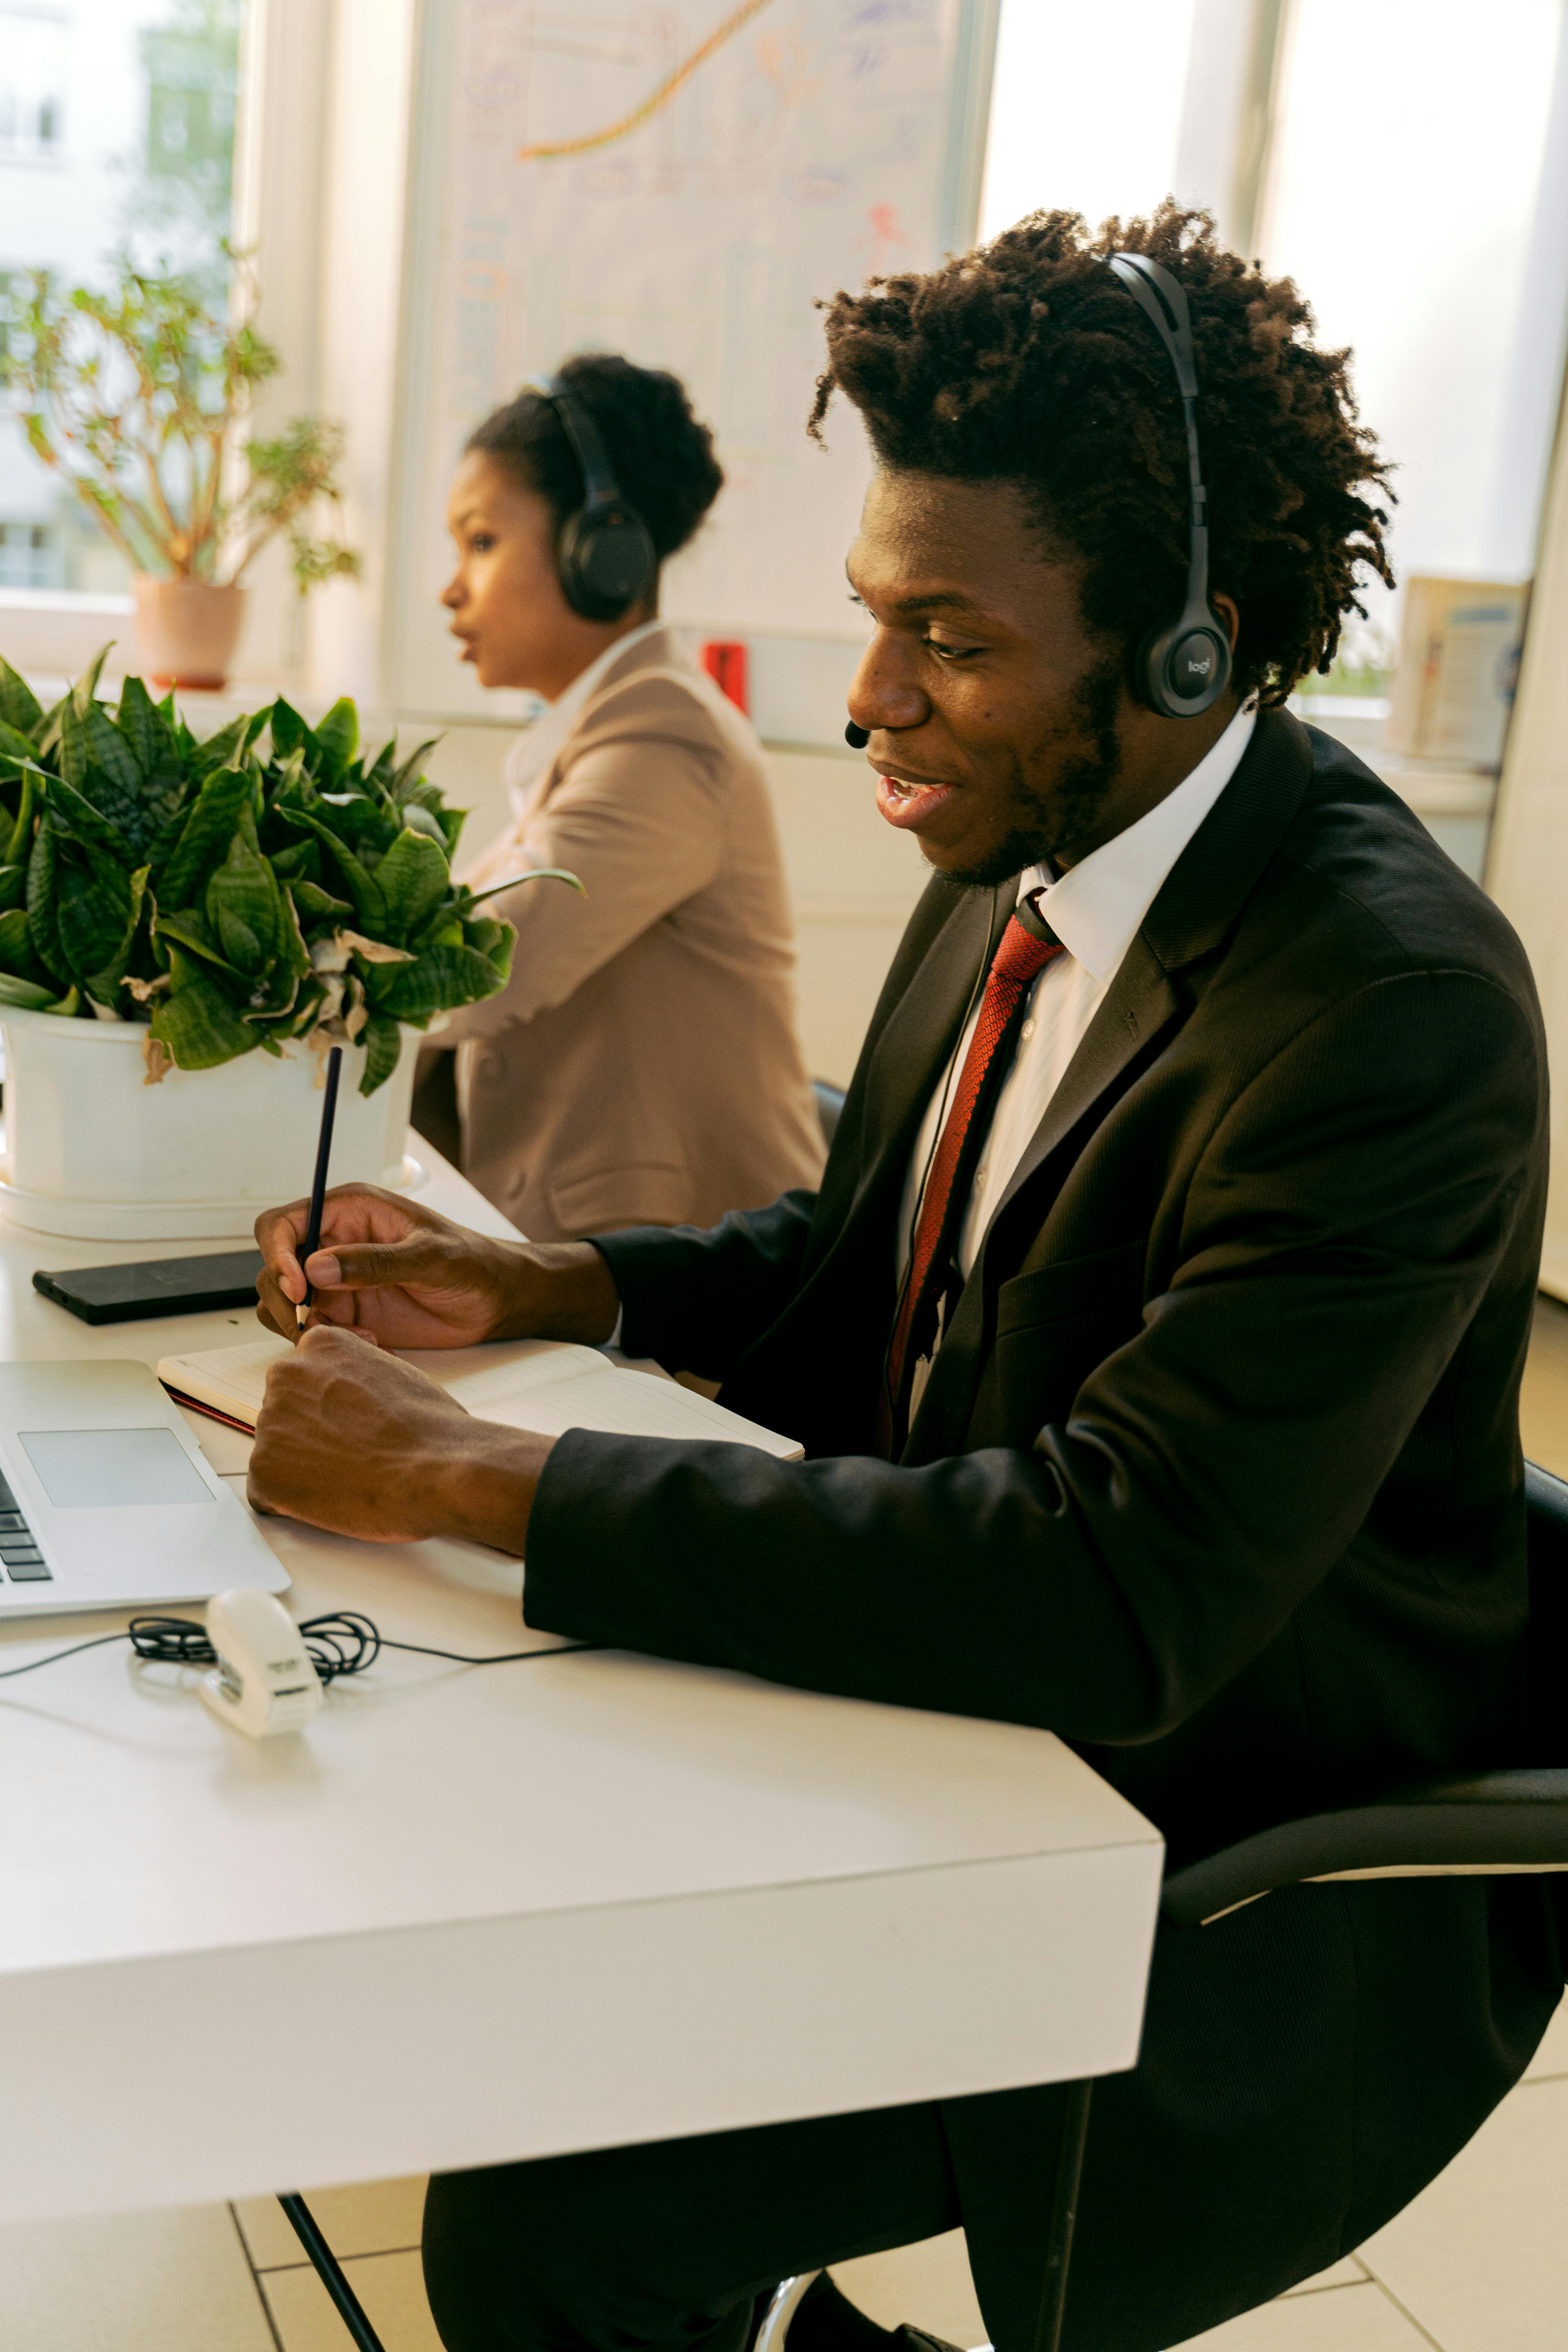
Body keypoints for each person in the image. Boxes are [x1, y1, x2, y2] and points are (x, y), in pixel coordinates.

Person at [246, 206, 1559, 2352]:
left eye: (944, 635)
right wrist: (545, 1289)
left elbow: (1115, 1581)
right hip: (966, 1733)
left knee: (549, 2219)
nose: (867, 700)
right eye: (875, 616)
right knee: (456, 1881)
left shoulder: (1385, 1012)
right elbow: (878, 1256)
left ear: (1191, 648)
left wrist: (467, 1477)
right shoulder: (1021, 844)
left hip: (1193, 1874)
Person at [424, 351, 824, 1238]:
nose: (451, 590)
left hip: (691, 1282)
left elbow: (489, 954)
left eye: (481, 543)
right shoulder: (601, 730)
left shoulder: (666, 735)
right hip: (592, 1249)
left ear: (601, 553)